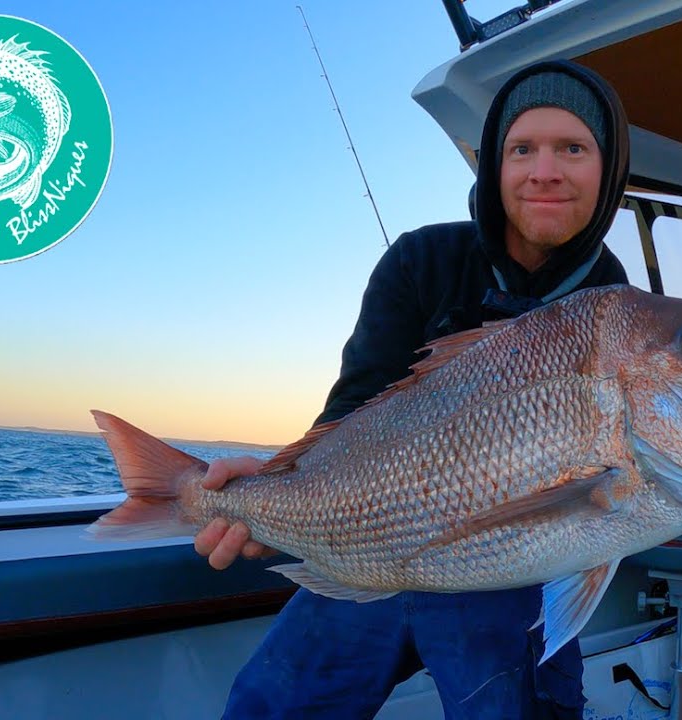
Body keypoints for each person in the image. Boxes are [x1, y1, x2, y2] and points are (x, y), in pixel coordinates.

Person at [194, 58, 632, 719]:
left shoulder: (615, 304)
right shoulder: (420, 258)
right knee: (270, 705)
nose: (544, 170)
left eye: (573, 148)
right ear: (493, 166)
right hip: (377, 540)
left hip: (509, 562)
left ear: (609, 169)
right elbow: (353, 408)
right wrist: (275, 488)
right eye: (521, 149)